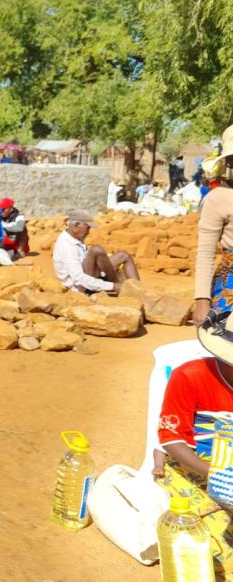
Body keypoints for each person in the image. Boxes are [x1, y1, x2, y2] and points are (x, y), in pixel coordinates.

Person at [154, 303, 233, 576]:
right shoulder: (189, 376)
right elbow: (172, 439)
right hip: (194, 466)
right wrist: (218, 475)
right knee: (210, 538)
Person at [194, 126, 233, 328]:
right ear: (229, 161)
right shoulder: (217, 199)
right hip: (230, 291)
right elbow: (205, 252)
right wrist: (202, 300)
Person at [52, 209, 139, 293]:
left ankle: (139, 289)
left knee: (123, 255)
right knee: (97, 250)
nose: (89, 232)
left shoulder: (75, 238)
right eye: (87, 228)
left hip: (89, 274)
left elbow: (85, 258)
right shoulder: (66, 245)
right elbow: (78, 279)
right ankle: (118, 286)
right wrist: (112, 286)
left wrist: (105, 261)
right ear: (76, 226)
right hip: (81, 287)